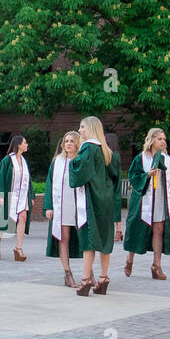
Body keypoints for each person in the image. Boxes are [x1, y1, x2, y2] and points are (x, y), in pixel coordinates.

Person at [69, 117, 121, 294]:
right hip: (106, 200)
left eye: (82, 127)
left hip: (92, 200)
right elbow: (114, 177)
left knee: (88, 239)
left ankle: (85, 280)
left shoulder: (89, 148)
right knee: (104, 239)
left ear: (91, 128)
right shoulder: (106, 151)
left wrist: (73, 159)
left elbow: (81, 170)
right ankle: (103, 278)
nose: (79, 130)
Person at [123, 128, 170, 280]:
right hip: (143, 199)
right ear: (151, 140)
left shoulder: (166, 159)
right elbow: (133, 176)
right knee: (136, 229)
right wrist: (147, 174)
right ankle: (130, 259)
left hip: (160, 197)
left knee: (159, 229)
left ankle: (157, 265)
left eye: (164, 139)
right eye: (159, 139)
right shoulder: (141, 158)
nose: (163, 142)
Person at [45, 131, 85, 287]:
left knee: (85, 238)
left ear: (78, 144)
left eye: (72, 141)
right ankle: (67, 274)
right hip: (62, 205)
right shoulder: (57, 162)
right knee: (64, 237)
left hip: (79, 205)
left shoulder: (82, 161)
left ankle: (88, 273)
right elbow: (50, 184)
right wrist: (49, 206)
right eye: (66, 141)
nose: (68, 143)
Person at [0, 134, 32, 261]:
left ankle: (18, 248)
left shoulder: (24, 161)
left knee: (23, 217)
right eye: (25, 143)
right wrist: (0, 195)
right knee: (3, 221)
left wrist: (31, 195)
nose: (27, 145)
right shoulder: (8, 160)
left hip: (22, 197)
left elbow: (28, 180)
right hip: (9, 195)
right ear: (18, 145)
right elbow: (1, 177)